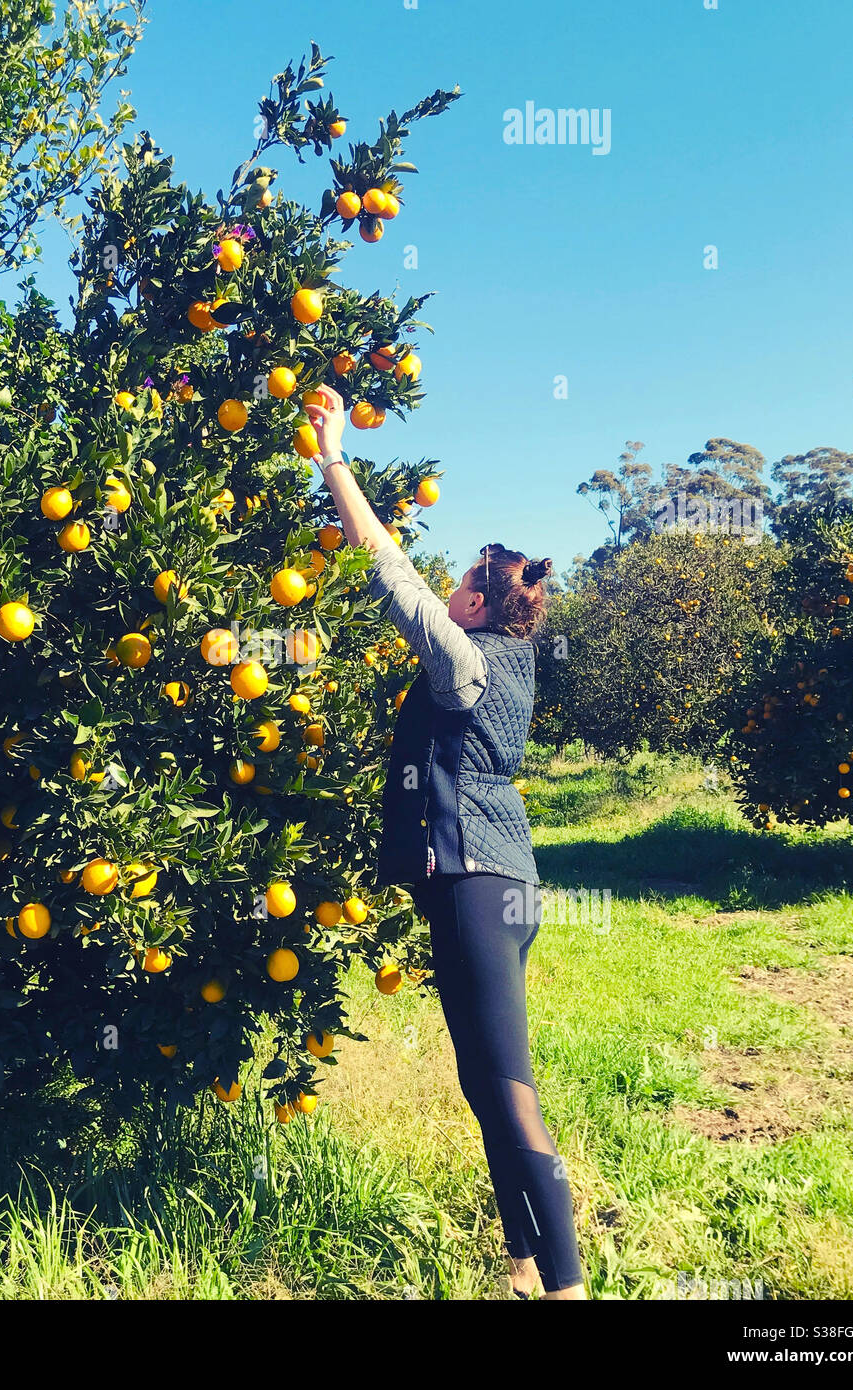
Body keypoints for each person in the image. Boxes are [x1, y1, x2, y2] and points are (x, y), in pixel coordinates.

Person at [303, 385, 586, 1301]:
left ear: (476, 600)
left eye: (460, 582)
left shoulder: (466, 659)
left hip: (477, 889)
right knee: (480, 1080)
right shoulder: (515, 662)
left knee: (511, 1089)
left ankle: (570, 1288)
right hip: (498, 888)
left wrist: (332, 454)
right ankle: (520, 1263)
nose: (447, 590)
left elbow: (389, 569)